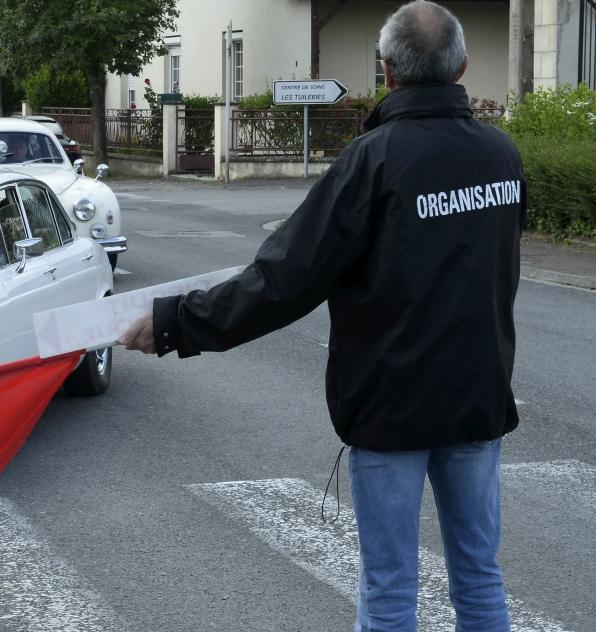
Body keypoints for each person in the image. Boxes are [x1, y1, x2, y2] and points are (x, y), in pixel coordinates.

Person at [120, 2, 523, 630]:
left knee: (390, 590)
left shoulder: (372, 161)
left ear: (386, 72)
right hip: (478, 396)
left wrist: (177, 321)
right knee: (479, 578)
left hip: (391, 408)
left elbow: (282, 280)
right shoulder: (501, 157)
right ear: (463, 67)